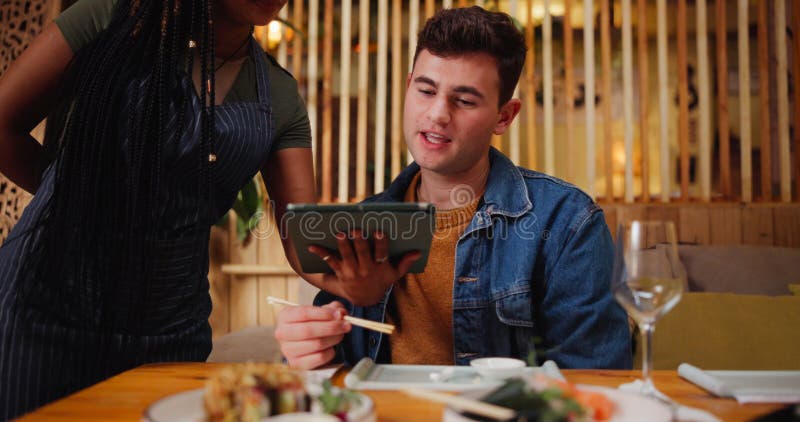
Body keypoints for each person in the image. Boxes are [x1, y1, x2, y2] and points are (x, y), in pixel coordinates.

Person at [0, 0, 330, 418]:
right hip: (44, 311)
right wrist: (74, 191)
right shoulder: (106, 18)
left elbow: (307, 245)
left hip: (170, 330)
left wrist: (372, 272)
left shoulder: (278, 94)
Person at [274, 6, 633, 371]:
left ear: (504, 116)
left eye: (464, 100)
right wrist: (310, 351)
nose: (437, 114)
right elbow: (336, 371)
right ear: (408, 85)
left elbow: (595, 379)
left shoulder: (567, 224)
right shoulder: (364, 221)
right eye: (426, 90)